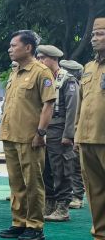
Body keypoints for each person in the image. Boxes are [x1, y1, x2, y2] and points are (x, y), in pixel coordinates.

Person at [0, 30, 56, 240]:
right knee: (16, 183)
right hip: (11, 135)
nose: (10, 49)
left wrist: (41, 132)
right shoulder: (14, 72)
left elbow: (48, 104)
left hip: (30, 137)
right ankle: (19, 222)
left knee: (33, 183)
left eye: (14, 45)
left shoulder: (41, 72)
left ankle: (35, 226)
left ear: (28, 47)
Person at [75, 17, 105, 240]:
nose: (94, 38)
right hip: (88, 138)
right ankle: (100, 239)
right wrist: (77, 134)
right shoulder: (88, 68)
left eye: (100, 34)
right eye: (94, 34)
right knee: (94, 192)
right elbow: (82, 104)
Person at [38, 45, 78, 222]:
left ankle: (63, 206)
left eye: (43, 58)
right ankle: (50, 202)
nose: (40, 62)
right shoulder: (44, 79)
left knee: (62, 169)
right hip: (45, 130)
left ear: (53, 59)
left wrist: (68, 134)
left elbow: (72, 109)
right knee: (45, 168)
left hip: (60, 129)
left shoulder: (67, 80)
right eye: (38, 58)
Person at [59, 59, 86, 209]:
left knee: (74, 165)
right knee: (69, 165)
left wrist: (70, 133)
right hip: (71, 130)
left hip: (77, 131)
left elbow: (74, 111)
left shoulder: (73, 84)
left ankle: (77, 196)